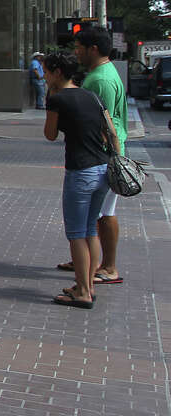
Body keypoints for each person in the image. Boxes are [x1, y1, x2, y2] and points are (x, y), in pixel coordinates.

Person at [43, 51, 111, 307]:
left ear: (58, 72)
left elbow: (50, 134)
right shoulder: (92, 96)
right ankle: (88, 284)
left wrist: (49, 99)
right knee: (91, 229)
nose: (44, 76)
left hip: (80, 171)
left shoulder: (58, 100)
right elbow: (110, 133)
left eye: (46, 71)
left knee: (76, 234)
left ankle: (82, 291)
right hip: (102, 169)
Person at [74, 26, 127, 285]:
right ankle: (85, 259)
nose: (76, 52)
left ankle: (107, 266)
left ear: (93, 48)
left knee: (104, 213)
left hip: (103, 157)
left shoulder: (101, 80)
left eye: (79, 47)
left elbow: (103, 123)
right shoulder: (101, 74)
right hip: (102, 155)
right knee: (93, 213)